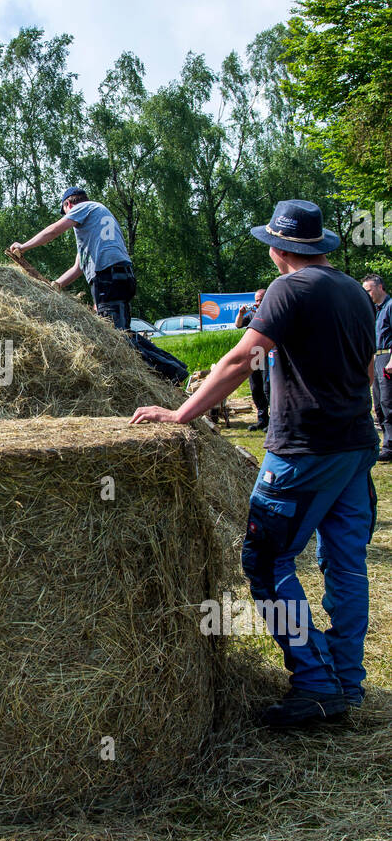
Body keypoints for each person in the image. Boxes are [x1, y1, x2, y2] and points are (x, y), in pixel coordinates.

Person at [131, 199, 378, 728]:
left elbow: (243, 358)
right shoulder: (356, 290)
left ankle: (314, 685)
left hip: (304, 450)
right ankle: (346, 679)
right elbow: (365, 368)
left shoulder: (291, 288)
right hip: (356, 444)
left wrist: (181, 414)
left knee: (266, 562)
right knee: (346, 563)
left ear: (277, 247)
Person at [9, 187, 136, 329]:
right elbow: (78, 267)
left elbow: (54, 230)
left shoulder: (83, 207)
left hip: (107, 277)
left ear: (68, 205)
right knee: (123, 332)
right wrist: (55, 285)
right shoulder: (96, 220)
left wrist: (23, 247)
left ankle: (157, 353)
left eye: (65, 213)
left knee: (117, 337)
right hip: (123, 276)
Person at [361, 272, 392, 463]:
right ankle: (387, 443)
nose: (367, 294)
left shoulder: (390, 307)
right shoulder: (376, 310)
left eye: (369, 290)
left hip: (388, 357)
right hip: (377, 357)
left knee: (389, 404)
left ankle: (390, 446)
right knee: (379, 405)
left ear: (380, 287)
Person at [236, 288, 270, 431]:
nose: (258, 303)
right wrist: (241, 313)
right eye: (256, 300)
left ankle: (275, 421)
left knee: (268, 388)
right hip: (254, 354)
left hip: (269, 354)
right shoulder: (251, 315)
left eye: (261, 300)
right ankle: (262, 419)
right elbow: (238, 325)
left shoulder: (271, 312)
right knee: (256, 388)